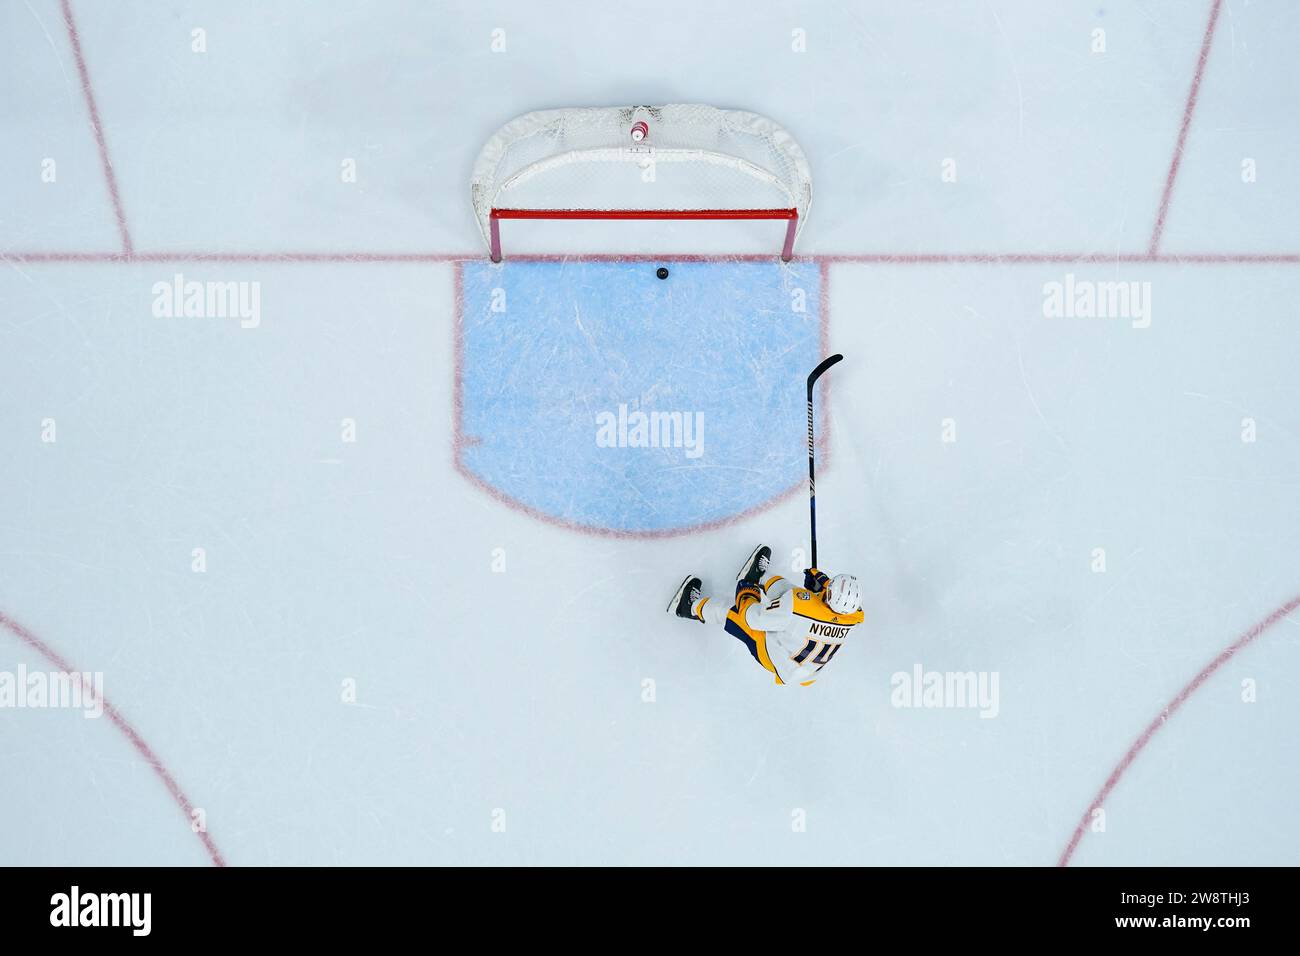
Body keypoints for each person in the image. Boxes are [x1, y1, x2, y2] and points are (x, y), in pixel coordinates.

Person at [668, 546, 863, 686]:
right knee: (789, 592)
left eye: (828, 591)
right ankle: (760, 575)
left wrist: (747, 591)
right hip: (807, 669)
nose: (827, 588)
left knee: (733, 613)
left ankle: (688, 607)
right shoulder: (853, 615)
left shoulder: (799, 608)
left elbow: (752, 618)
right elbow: (813, 602)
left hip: (775, 657)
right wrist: (822, 584)